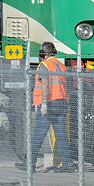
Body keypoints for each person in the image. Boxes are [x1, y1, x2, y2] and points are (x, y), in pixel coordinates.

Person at [31, 41, 74, 171]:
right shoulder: (61, 65)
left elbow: (44, 84)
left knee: (38, 134)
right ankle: (67, 163)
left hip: (49, 103)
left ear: (43, 53)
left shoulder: (44, 65)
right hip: (61, 102)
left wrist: (44, 103)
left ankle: (30, 163)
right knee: (61, 135)